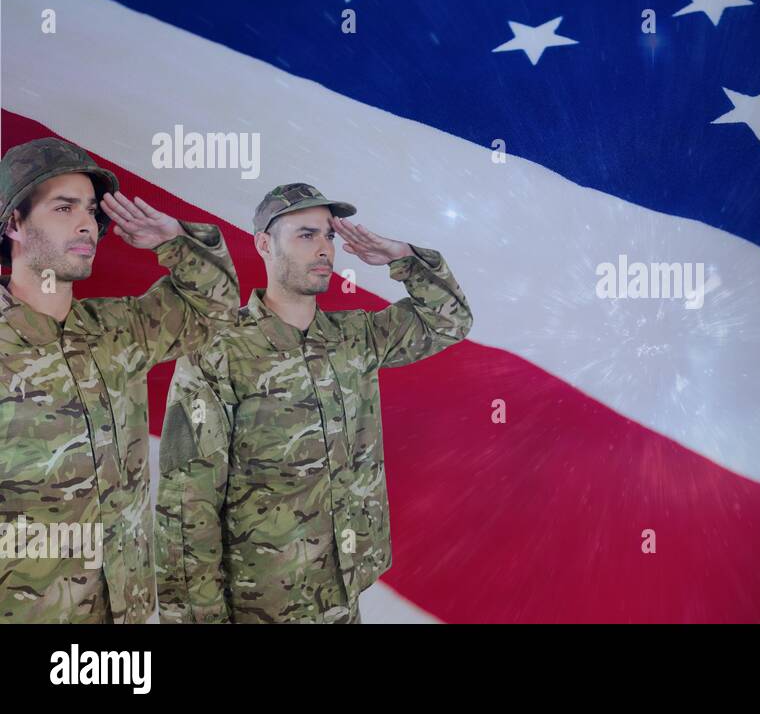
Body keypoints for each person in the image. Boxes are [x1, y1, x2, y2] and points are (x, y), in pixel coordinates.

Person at [155, 182, 472, 623]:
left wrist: (402, 258)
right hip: (262, 603)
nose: (325, 249)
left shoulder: (354, 337)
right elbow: (187, 502)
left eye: (329, 236)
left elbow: (450, 321)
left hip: (342, 593)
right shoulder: (218, 350)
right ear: (264, 244)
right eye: (306, 235)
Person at [0, 137, 240, 623]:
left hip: (125, 611)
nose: (86, 224)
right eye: (64, 208)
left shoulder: (117, 331)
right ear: (14, 223)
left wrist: (176, 241)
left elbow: (215, 308)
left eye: (91, 210)